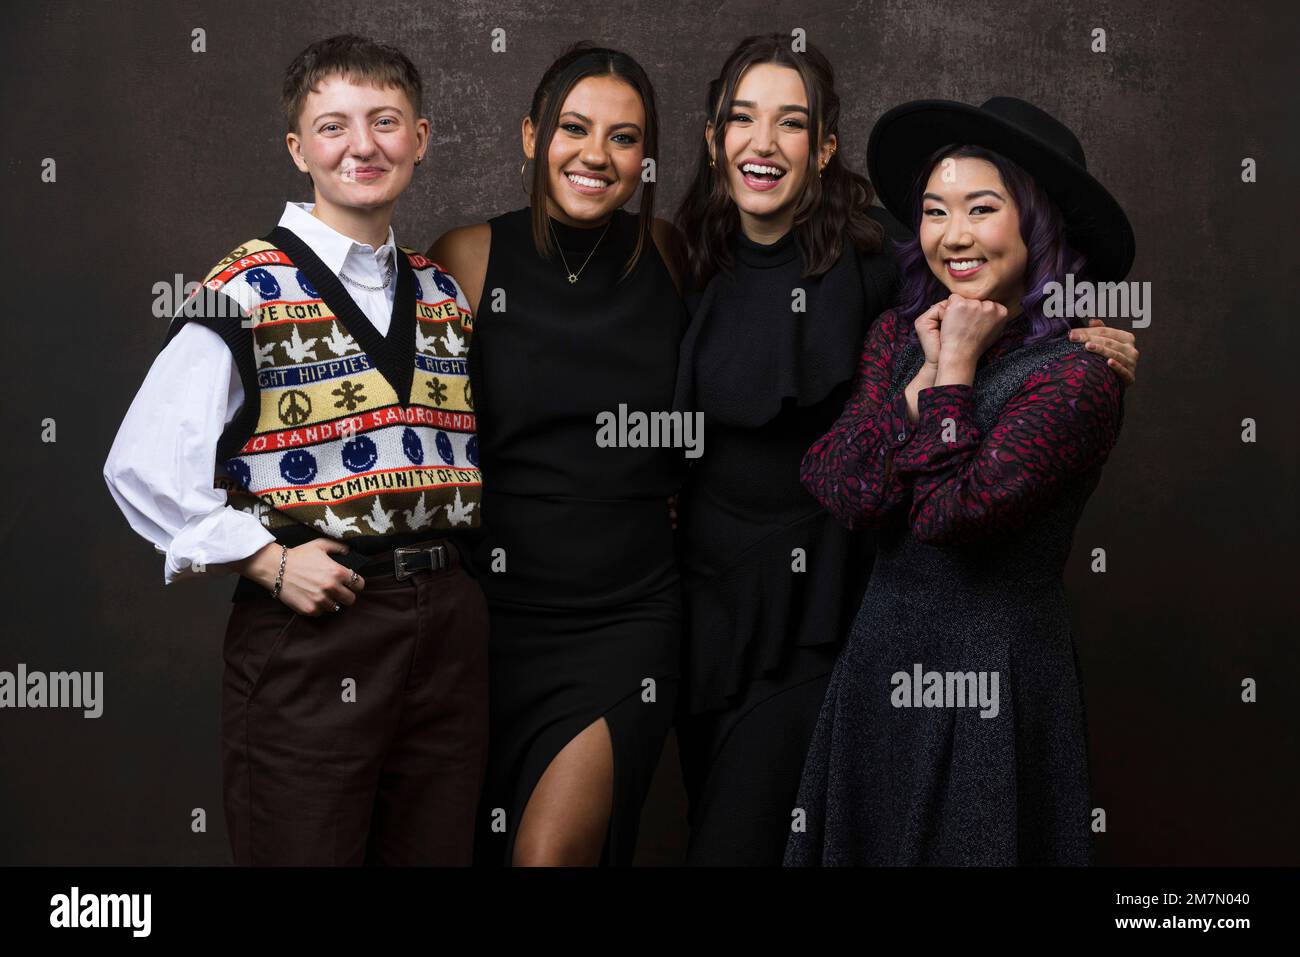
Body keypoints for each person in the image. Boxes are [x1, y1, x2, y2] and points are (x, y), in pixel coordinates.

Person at [671, 42, 1138, 865]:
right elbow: (838, 481)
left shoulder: (1075, 375)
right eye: (935, 208)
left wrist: (950, 373)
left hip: (992, 673)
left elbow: (945, 514)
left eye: (983, 208)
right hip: (876, 656)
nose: (953, 234)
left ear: (1038, 221)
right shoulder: (901, 330)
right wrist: (926, 380)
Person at [102, 34, 487, 865]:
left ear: (419, 139)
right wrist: (267, 561)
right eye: (334, 125)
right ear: (298, 148)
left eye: (386, 122)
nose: (363, 146)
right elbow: (141, 462)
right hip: (319, 626)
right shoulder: (249, 285)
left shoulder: (442, 292)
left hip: (445, 631)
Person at [428, 44, 688, 866]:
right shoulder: (468, 257)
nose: (596, 155)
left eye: (624, 138)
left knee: (547, 857)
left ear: (646, 159)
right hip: (491, 619)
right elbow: (418, 432)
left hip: (628, 614)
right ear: (532, 134)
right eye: (575, 128)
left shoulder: (672, 254)